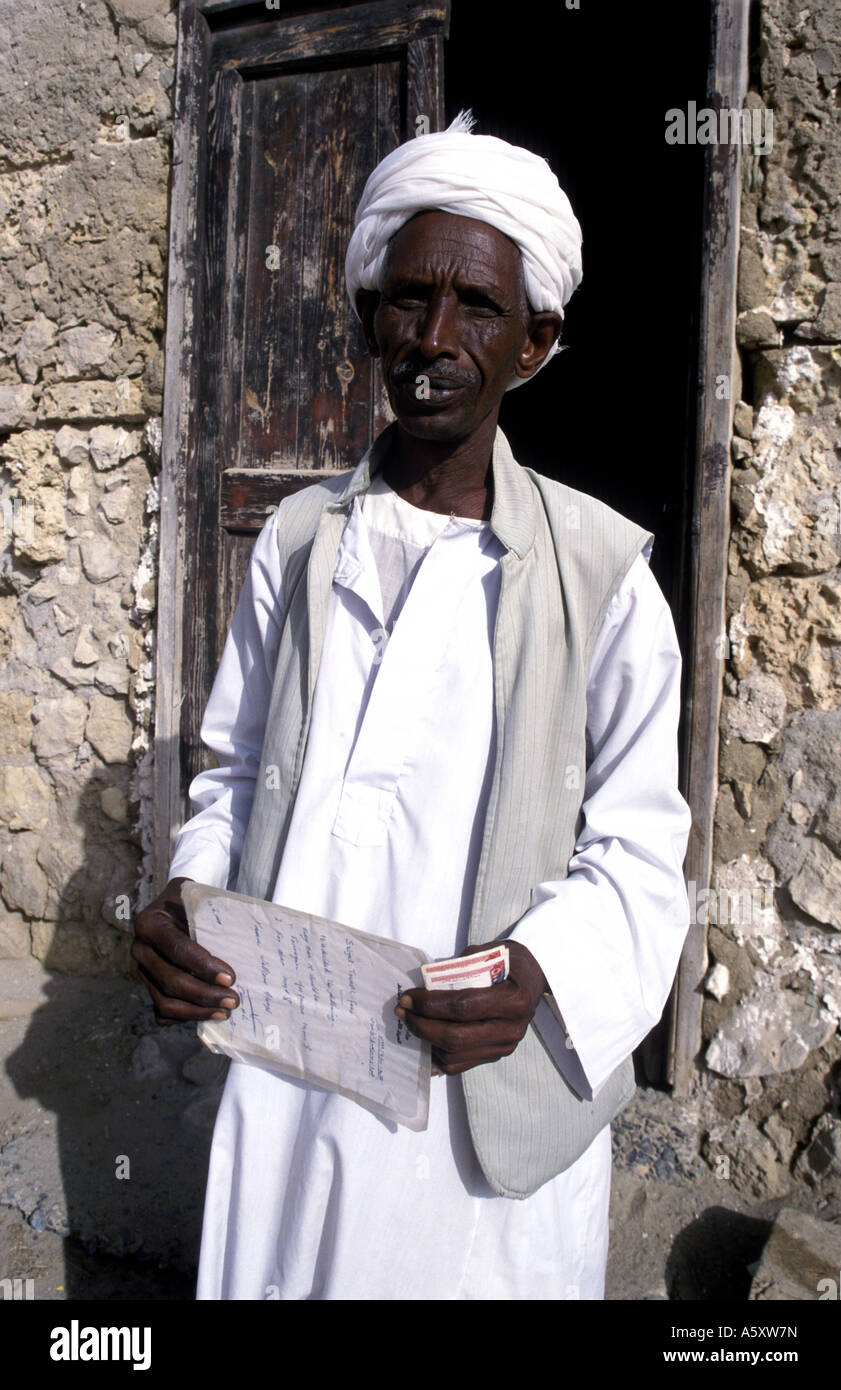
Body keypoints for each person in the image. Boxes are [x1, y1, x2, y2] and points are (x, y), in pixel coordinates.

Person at [133, 112, 692, 1300]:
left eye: (475, 307)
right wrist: (188, 893)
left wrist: (538, 972)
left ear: (534, 342)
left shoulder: (603, 577)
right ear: (365, 316)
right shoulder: (295, 542)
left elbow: (641, 852)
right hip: (292, 1069)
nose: (432, 338)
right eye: (406, 298)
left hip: (474, 1122)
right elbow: (231, 775)